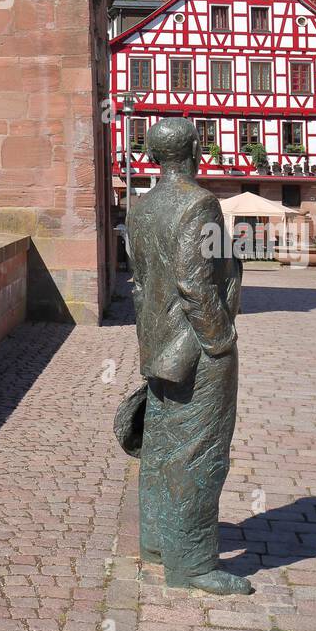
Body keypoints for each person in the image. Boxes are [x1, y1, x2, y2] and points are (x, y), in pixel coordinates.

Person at [126, 117, 253, 595]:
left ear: (154, 155)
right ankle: (194, 563)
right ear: (196, 149)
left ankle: (159, 542)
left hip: (158, 347)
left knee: (161, 447)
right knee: (201, 451)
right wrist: (219, 343)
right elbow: (194, 283)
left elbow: (140, 281)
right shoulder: (200, 203)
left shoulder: (141, 207)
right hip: (197, 347)